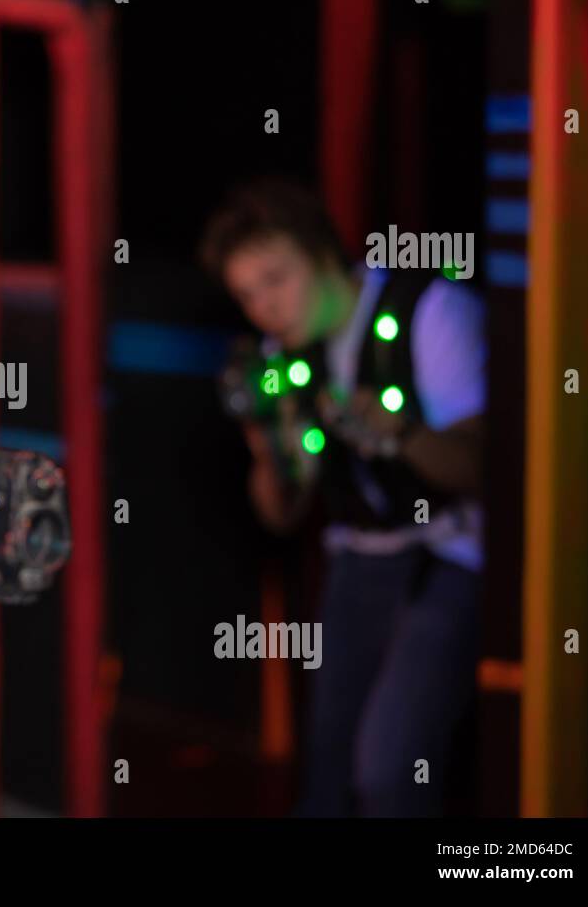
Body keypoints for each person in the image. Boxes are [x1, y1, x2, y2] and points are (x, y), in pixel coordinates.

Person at [199, 177, 486, 816]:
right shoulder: (281, 356)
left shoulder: (430, 309)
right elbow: (281, 514)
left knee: (390, 768)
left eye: (275, 279)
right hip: (359, 558)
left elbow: (480, 466)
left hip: (454, 555)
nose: (263, 308)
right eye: (246, 294)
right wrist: (266, 448)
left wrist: (399, 434)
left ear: (323, 253)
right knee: (325, 773)